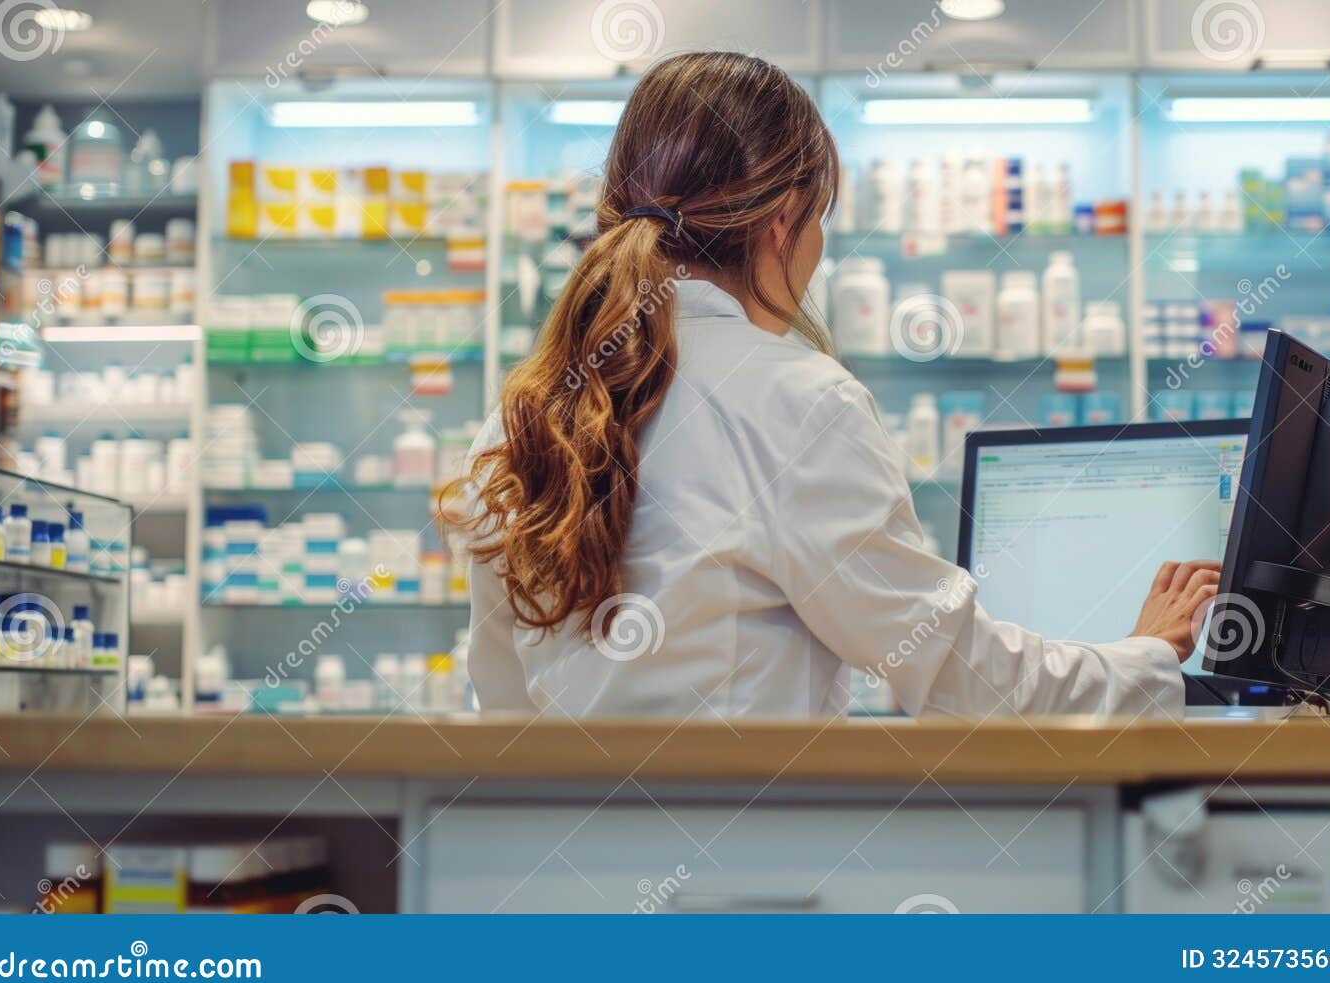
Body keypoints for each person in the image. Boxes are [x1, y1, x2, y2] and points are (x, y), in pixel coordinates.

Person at [445, 51, 1220, 720]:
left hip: (550, 867)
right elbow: (957, 677)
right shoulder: (800, 401)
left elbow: (503, 703)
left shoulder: (520, 416)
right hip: (743, 876)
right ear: (783, 222)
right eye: (820, 219)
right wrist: (1145, 658)